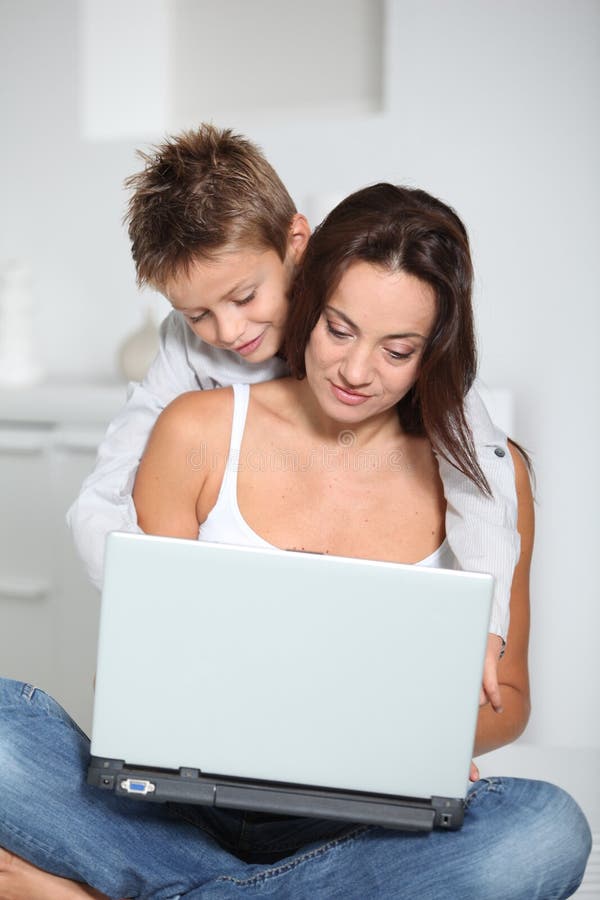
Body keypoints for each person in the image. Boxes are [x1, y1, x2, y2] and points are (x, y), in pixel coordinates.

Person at [0, 183, 591, 899]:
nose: (356, 370)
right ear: (308, 300)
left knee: (546, 830)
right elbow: (136, 668)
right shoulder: (195, 430)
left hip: (359, 826)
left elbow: (509, 698)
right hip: (173, 808)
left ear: (432, 350)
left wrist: (402, 742)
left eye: (397, 350)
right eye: (339, 330)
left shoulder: (490, 480)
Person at [67, 125, 519, 710]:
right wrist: (164, 602)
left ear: (296, 244)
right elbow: (104, 489)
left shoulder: (365, 305)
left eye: (244, 297)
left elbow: (479, 474)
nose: (228, 333)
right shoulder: (187, 351)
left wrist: (488, 624)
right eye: (199, 313)